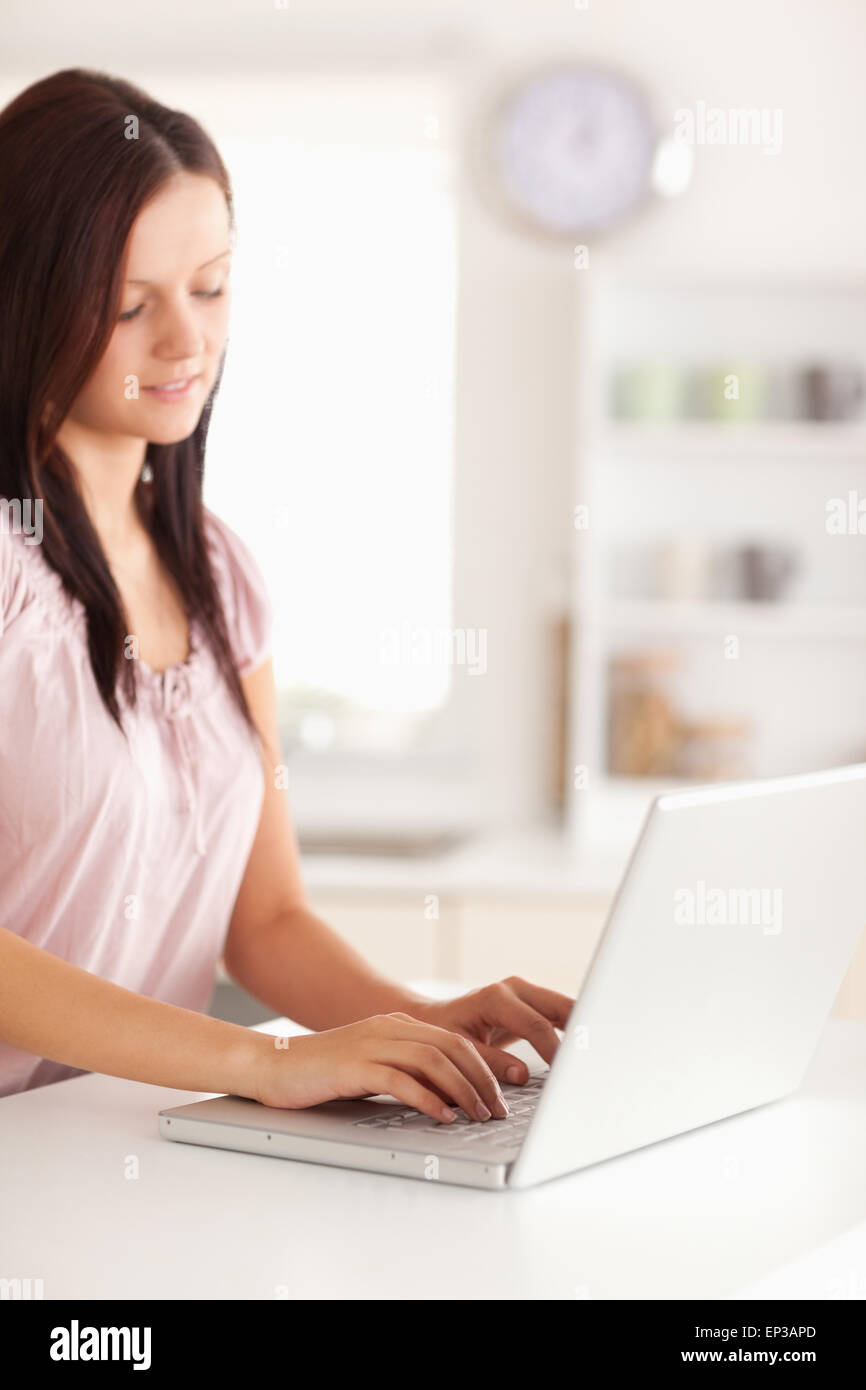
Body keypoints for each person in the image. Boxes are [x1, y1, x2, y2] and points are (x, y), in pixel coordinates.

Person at [0, 68, 573, 1120]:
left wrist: (423, 1027)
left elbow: (262, 918)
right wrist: (259, 1063)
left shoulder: (219, 575)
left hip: (104, 1148)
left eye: (209, 286)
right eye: (128, 305)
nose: (186, 341)